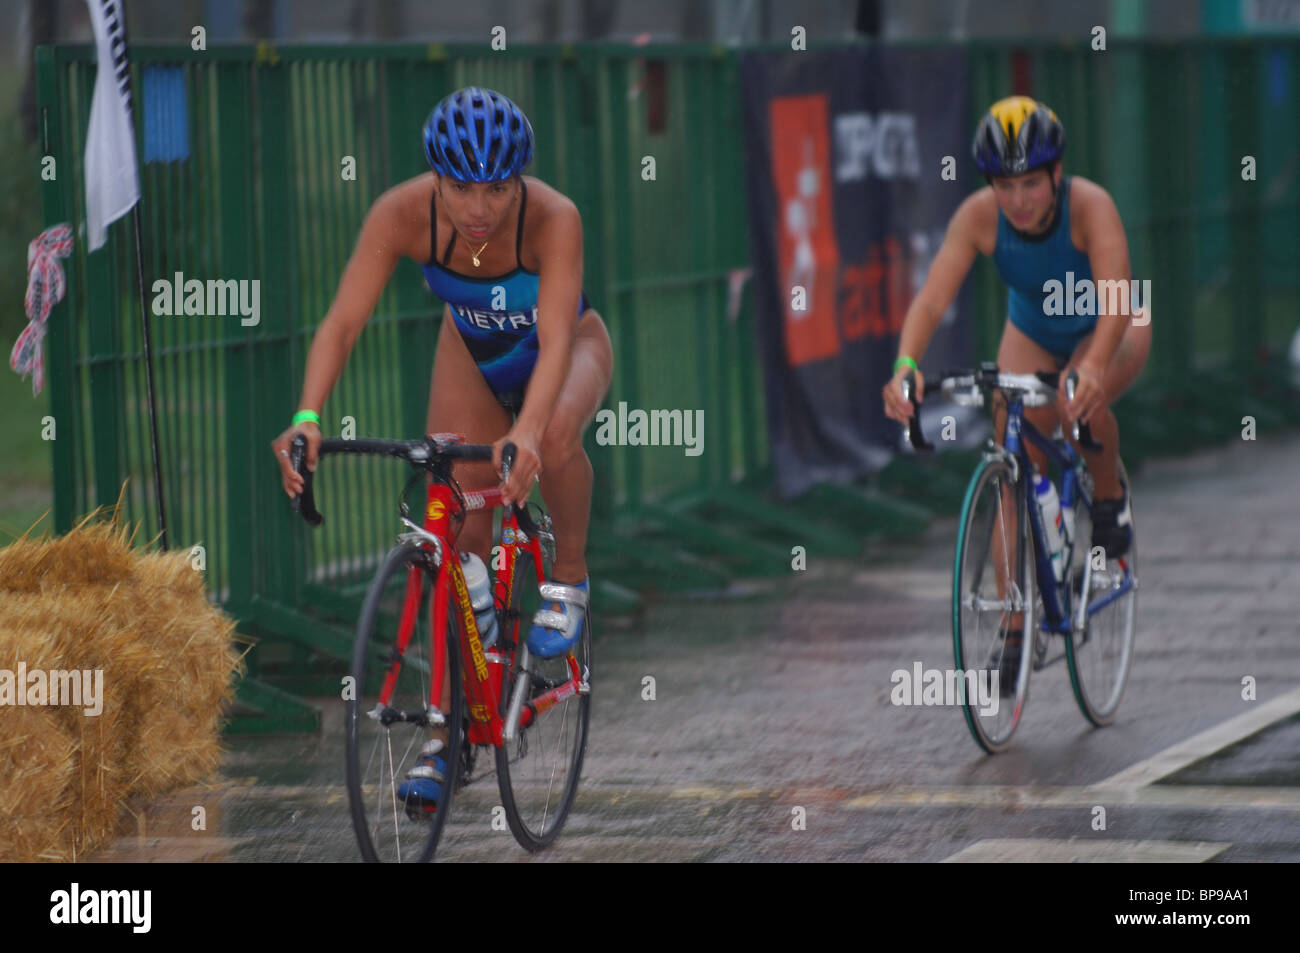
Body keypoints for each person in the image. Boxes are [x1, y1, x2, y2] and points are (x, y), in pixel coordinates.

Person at [271, 87, 612, 806]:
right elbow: (341, 322)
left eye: (495, 187)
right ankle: (445, 735)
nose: (479, 206)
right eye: (460, 187)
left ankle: (571, 575)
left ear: (519, 179)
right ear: (436, 179)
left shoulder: (554, 218)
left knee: (550, 432)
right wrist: (308, 413)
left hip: (566, 347)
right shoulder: (401, 213)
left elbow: (554, 341)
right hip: (472, 354)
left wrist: (523, 431)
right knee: (454, 524)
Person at [881, 95, 1151, 689]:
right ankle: (1012, 622)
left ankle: (1109, 500)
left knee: (1083, 403)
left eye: (1031, 183)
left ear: (1056, 175)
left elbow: (1115, 303)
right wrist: (906, 364)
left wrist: (1095, 366)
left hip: (1112, 322)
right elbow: (930, 300)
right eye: (1005, 185)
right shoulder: (978, 217)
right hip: (1032, 331)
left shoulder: (1091, 207)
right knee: (1011, 453)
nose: (1019, 200)